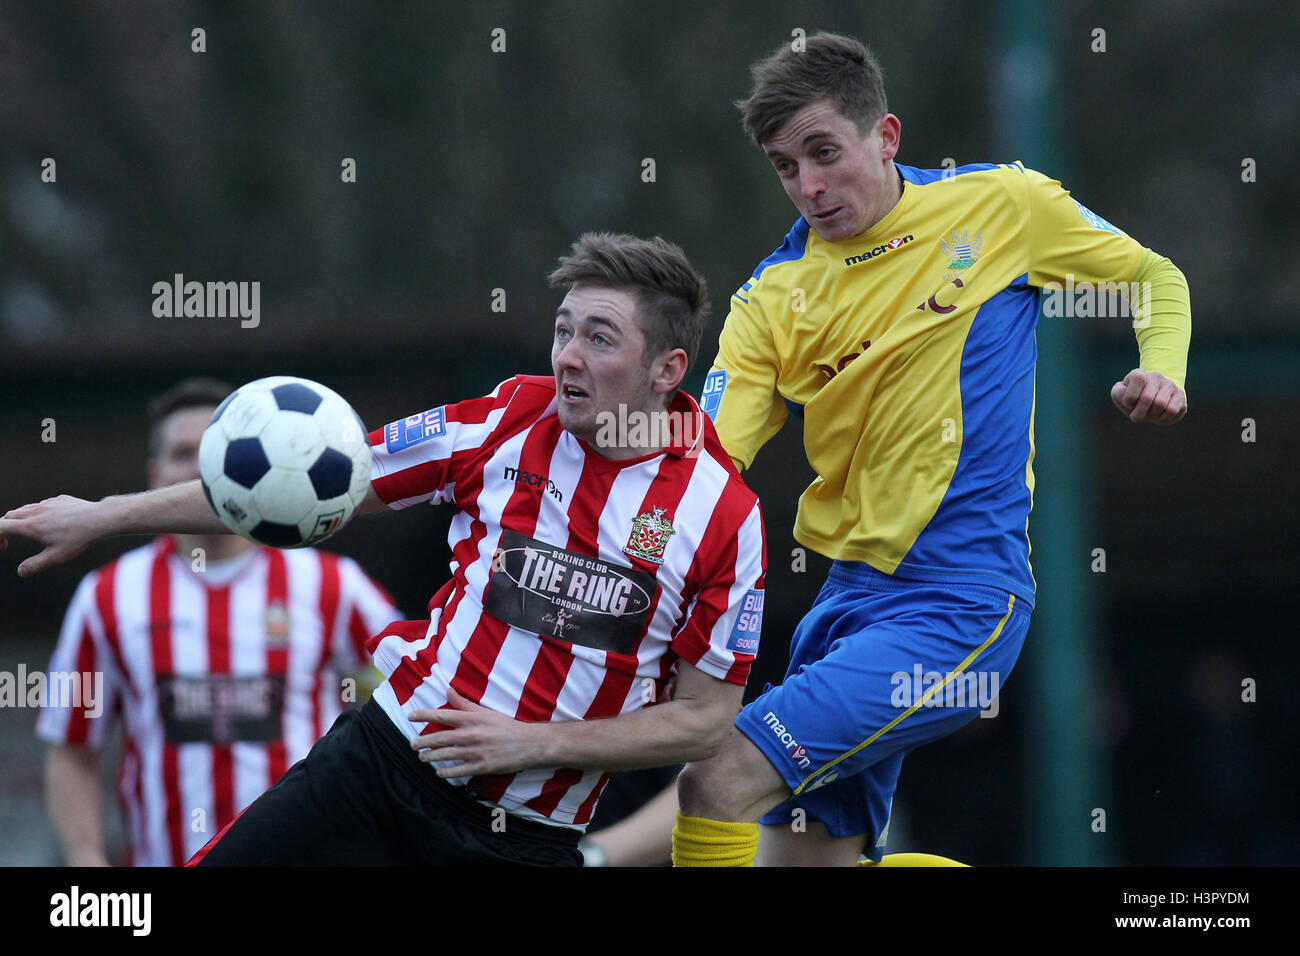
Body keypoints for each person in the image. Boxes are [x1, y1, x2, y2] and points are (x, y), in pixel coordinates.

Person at [3, 233, 767, 866]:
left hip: (526, 837)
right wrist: (102, 515)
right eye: (563, 328)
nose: (567, 354)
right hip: (381, 767)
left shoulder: (723, 516)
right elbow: (291, 490)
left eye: (599, 338)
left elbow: (702, 722)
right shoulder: (508, 417)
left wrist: (532, 742)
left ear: (669, 371)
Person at [671, 32, 1191, 867]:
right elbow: (706, 469)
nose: (808, 185)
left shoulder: (1003, 209)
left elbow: (1156, 278)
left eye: (823, 152)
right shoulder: (770, 300)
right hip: (841, 606)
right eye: (783, 166)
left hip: (958, 601)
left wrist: (1161, 370)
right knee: (807, 861)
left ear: (887, 136)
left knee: (717, 780)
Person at [33, 377, 400, 866]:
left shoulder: (336, 587)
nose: (204, 469)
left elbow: (408, 709)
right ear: (155, 477)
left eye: (216, 448)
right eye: (184, 453)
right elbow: (72, 748)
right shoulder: (104, 598)